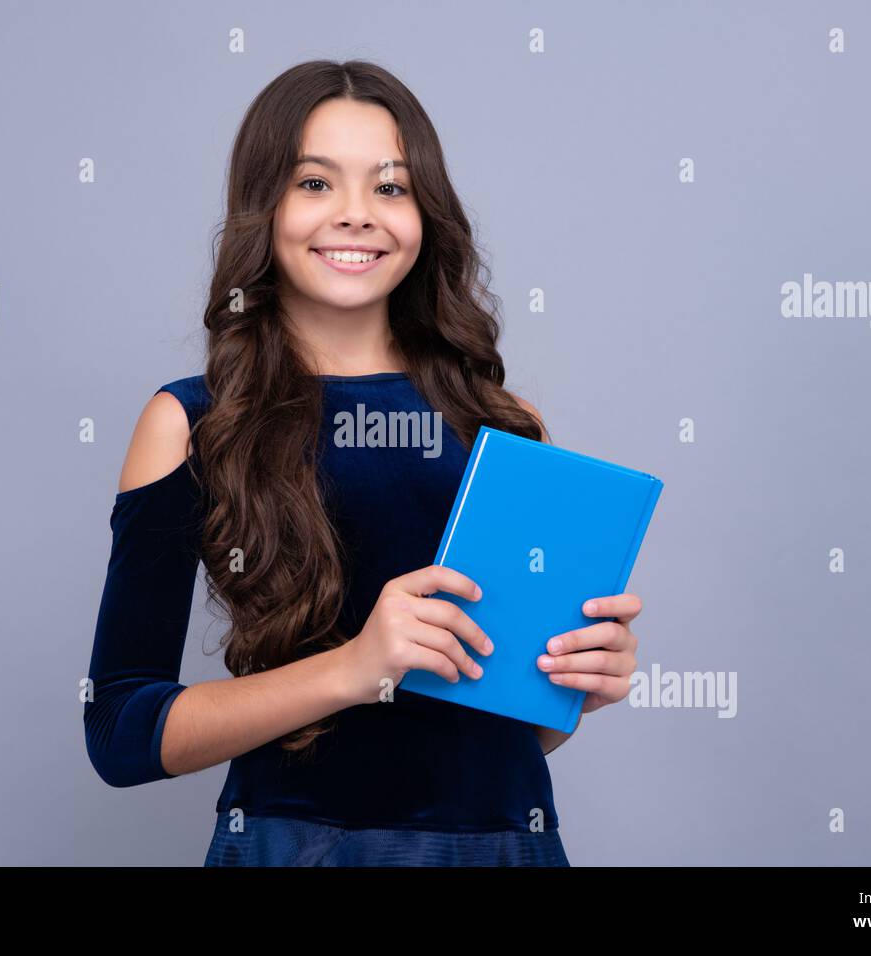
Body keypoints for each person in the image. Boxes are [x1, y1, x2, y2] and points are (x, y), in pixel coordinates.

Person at [83, 59, 644, 866]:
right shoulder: (192, 421)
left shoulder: (505, 424)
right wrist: (353, 668)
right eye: (315, 184)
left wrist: (577, 685)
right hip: (296, 846)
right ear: (263, 208)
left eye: (390, 187)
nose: (356, 215)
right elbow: (118, 734)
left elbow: (523, 736)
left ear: (426, 213)